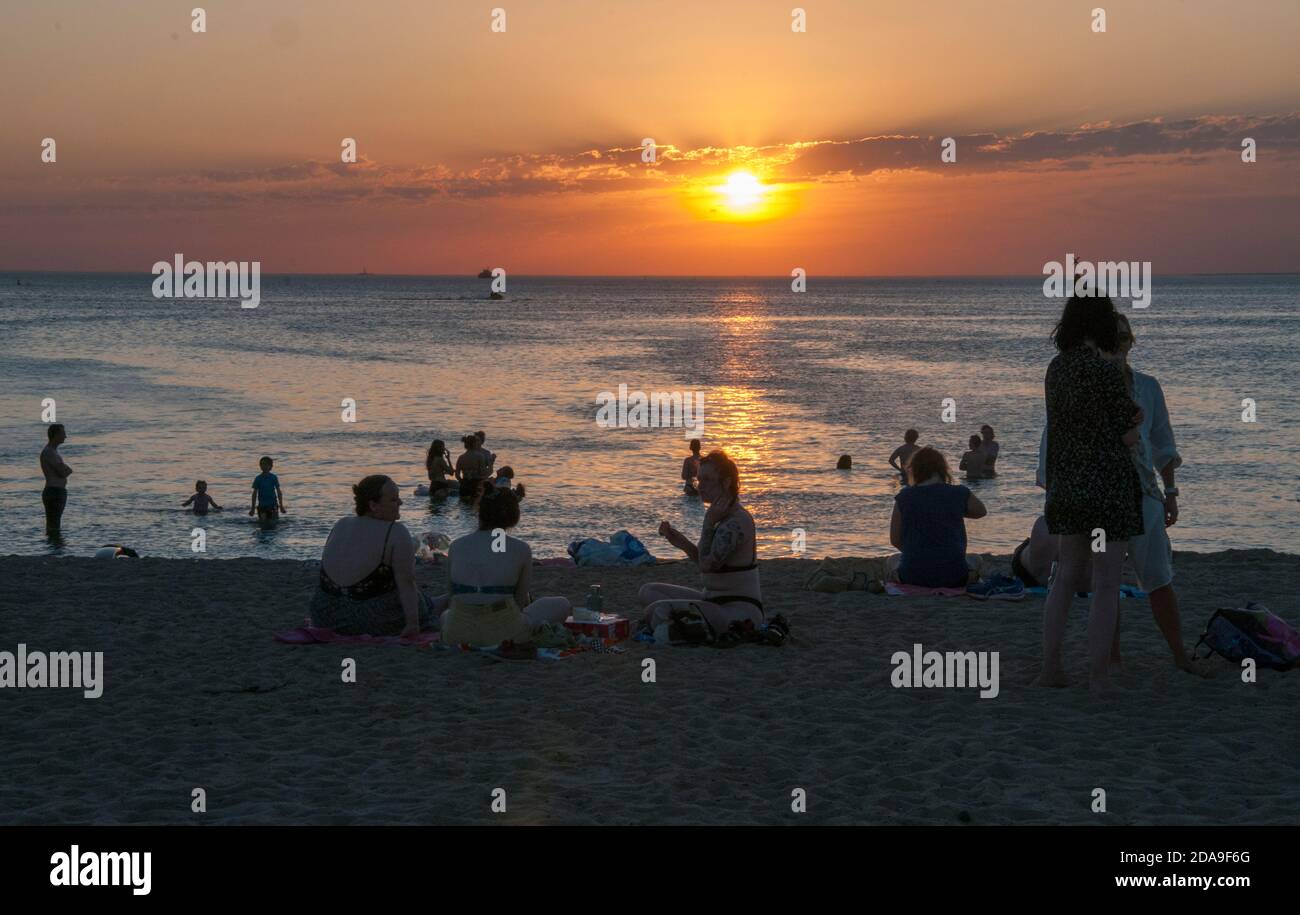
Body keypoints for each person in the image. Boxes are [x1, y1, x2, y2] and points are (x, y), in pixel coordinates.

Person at [1039, 294, 1144, 693]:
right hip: (1107, 490)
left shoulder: (1055, 370)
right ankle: (1098, 676)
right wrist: (1138, 416)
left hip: (1067, 487)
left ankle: (1050, 668)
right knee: (1105, 582)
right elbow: (1128, 434)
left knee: (1064, 578)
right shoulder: (1104, 372)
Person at [639, 450, 767, 639]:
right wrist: (682, 544)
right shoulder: (721, 518)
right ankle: (681, 625)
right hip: (711, 600)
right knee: (648, 591)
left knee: (657, 610)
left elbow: (707, 567)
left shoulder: (735, 522)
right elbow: (707, 562)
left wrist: (708, 523)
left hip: (737, 610)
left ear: (726, 483)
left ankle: (679, 627)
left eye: (707, 480)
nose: (700, 487)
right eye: (699, 480)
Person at [438, 487, 570, 646]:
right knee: (562, 604)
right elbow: (520, 603)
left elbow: (452, 597)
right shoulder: (521, 549)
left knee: (445, 615)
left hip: (457, 633)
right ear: (513, 516)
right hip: (504, 634)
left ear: (480, 512)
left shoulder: (456, 546)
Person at [309, 475, 438, 637]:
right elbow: (407, 582)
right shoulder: (396, 531)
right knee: (424, 603)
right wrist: (413, 625)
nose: (400, 503)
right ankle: (446, 601)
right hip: (370, 619)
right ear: (373, 505)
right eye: (393, 500)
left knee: (424, 599)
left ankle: (442, 601)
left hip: (325, 616)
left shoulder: (341, 524)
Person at [889, 446, 986, 588]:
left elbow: (895, 540)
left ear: (915, 470)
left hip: (913, 575)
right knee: (976, 559)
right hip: (954, 576)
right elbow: (981, 511)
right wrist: (953, 509)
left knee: (892, 561)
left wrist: (918, 551)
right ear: (942, 469)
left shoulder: (904, 497)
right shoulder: (959, 493)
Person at [39, 424, 72, 536]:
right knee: (54, 526)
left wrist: (66, 468)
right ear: (56, 435)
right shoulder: (50, 452)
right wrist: (67, 469)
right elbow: (63, 472)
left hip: (56, 491)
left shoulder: (53, 452)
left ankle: (54, 549)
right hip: (54, 492)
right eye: (63, 434)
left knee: (55, 525)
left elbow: (63, 469)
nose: (65, 436)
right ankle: (54, 550)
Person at [248, 456, 286, 520]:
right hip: (262, 506)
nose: (263, 466)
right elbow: (254, 494)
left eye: (266, 464)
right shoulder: (258, 478)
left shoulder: (274, 477)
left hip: (273, 505)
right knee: (263, 524)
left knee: (274, 523)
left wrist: (281, 506)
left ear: (271, 466)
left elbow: (279, 492)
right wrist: (252, 509)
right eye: (262, 464)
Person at [455, 434, 489, 500]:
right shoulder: (480, 456)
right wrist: (490, 464)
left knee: (464, 506)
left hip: (464, 486)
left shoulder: (461, 457)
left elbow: (457, 474)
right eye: (476, 442)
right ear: (474, 444)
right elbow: (483, 473)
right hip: (476, 486)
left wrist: (462, 481)